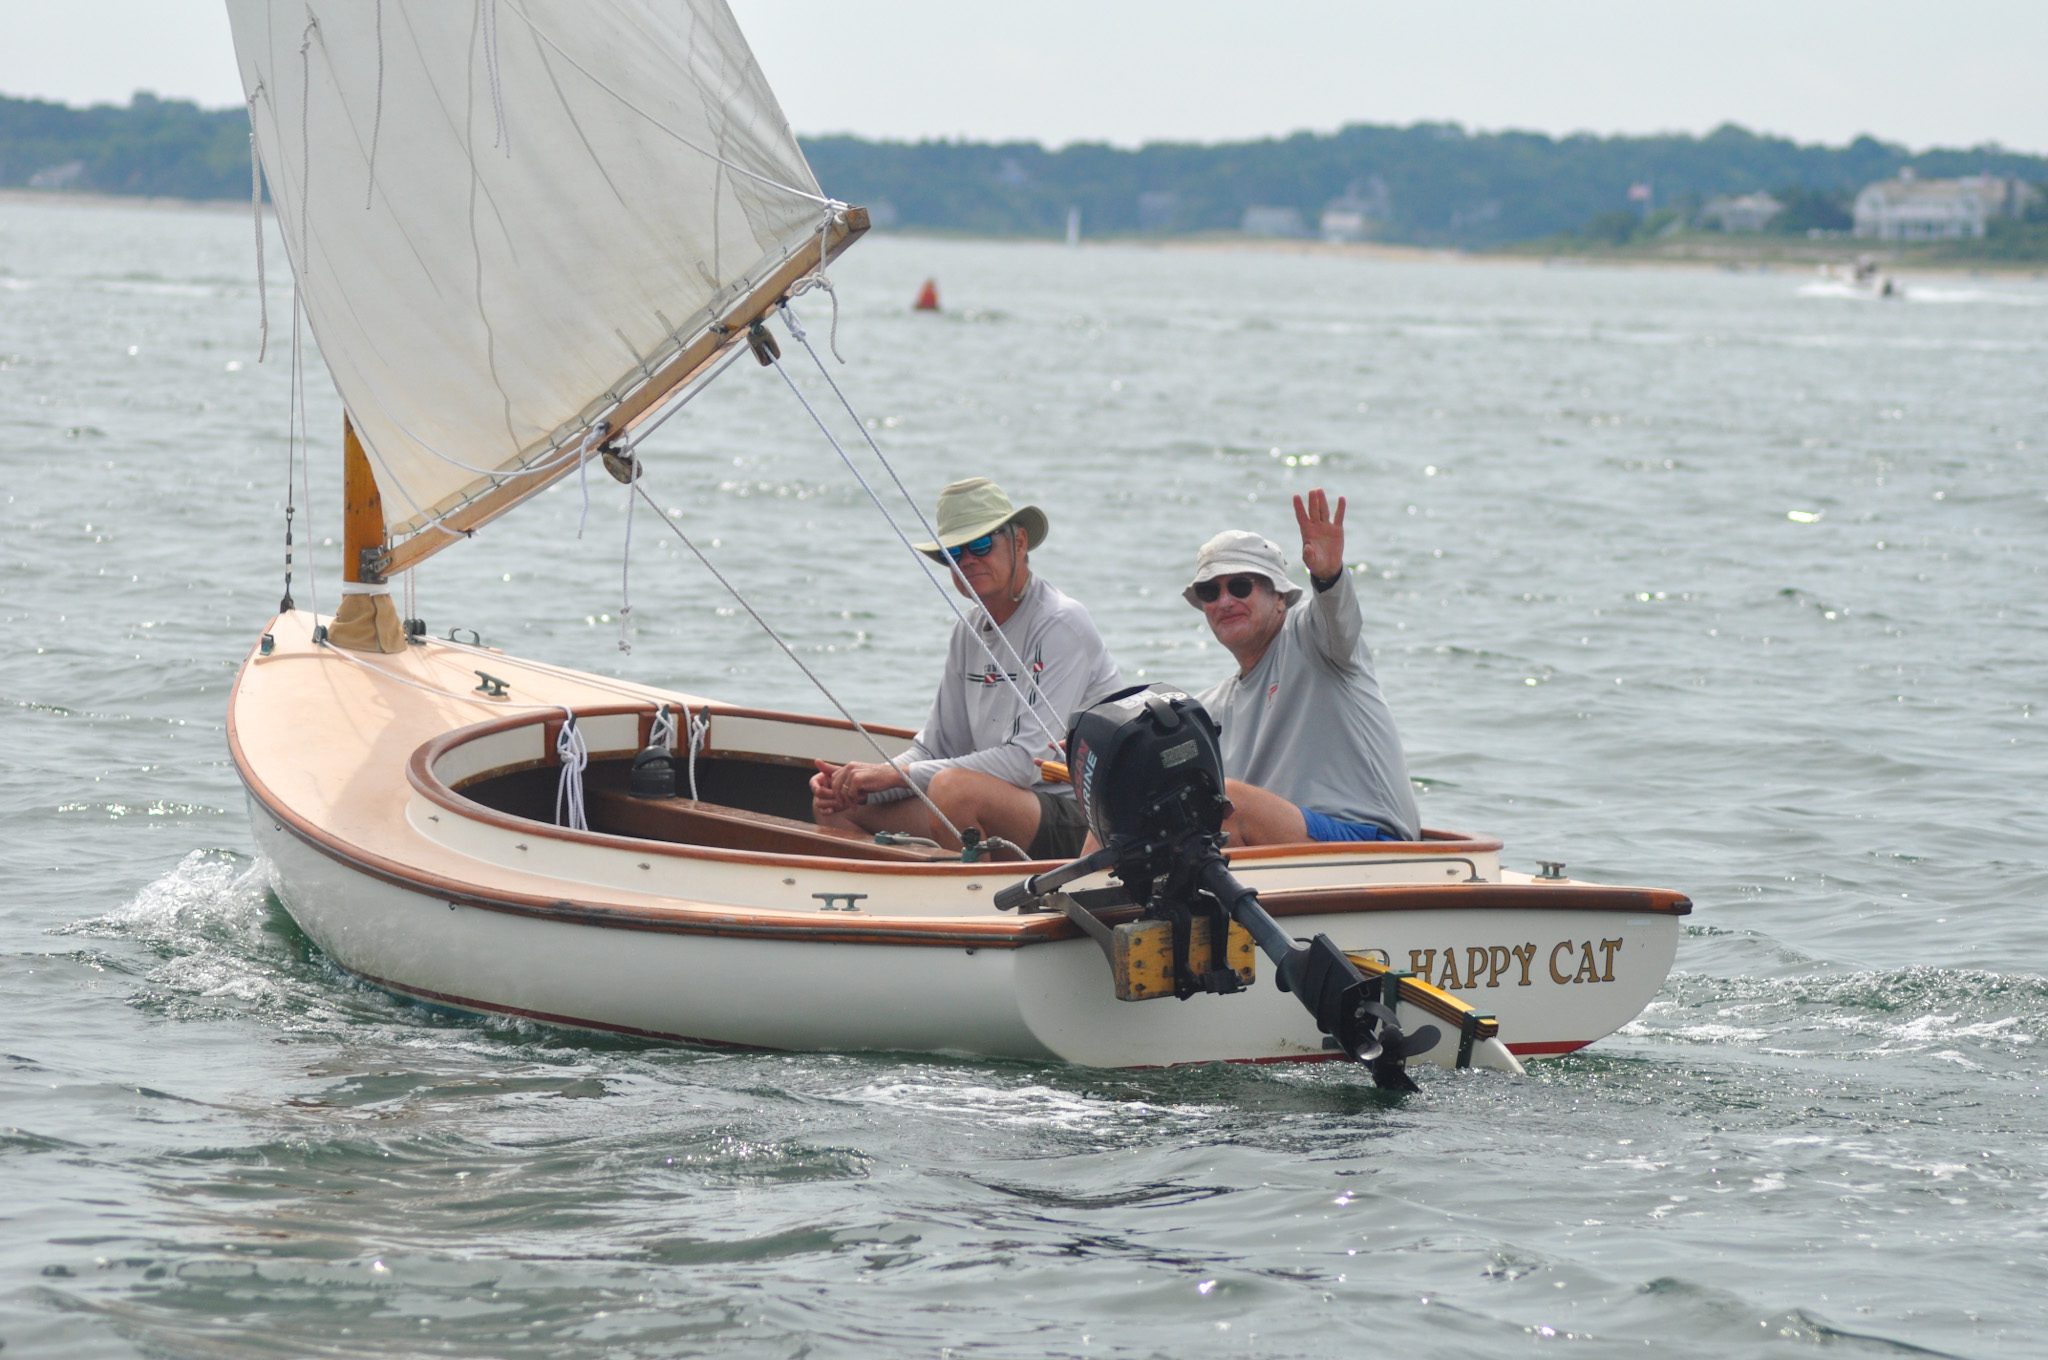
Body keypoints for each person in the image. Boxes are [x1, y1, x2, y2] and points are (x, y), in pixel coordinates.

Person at [810, 477, 1123, 859]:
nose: (968, 561)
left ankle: (983, 904)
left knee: (954, 792)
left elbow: (1027, 763)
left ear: (1019, 542)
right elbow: (934, 749)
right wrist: (857, 781)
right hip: (1001, 802)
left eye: (980, 545)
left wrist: (895, 776)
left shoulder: (1060, 623)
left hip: (1083, 818)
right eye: (953, 553)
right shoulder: (967, 631)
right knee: (834, 805)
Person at [1186, 488, 1420, 846]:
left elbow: (1338, 618)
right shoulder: (1212, 708)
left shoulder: (1313, 637)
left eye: (1239, 586)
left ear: (1280, 596)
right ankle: (1076, 896)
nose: (1225, 601)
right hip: (1291, 853)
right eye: (1210, 593)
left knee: (1230, 804)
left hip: (1368, 842)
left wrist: (1329, 577)